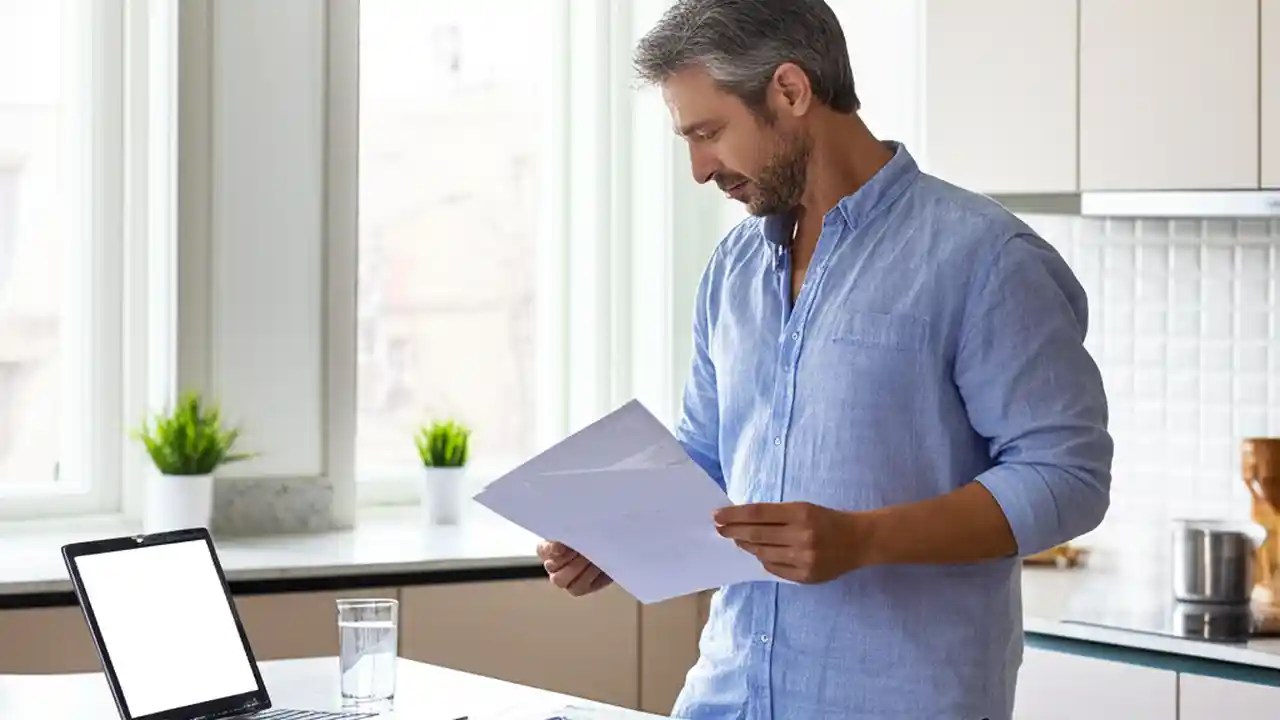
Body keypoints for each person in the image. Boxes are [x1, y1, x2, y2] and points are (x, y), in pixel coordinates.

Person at [537, 1, 1113, 717]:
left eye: (709, 133)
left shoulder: (985, 258)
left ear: (789, 90)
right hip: (726, 697)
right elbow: (713, 459)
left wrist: (863, 539)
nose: (698, 169)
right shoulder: (734, 267)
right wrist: (616, 536)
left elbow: (1069, 477)